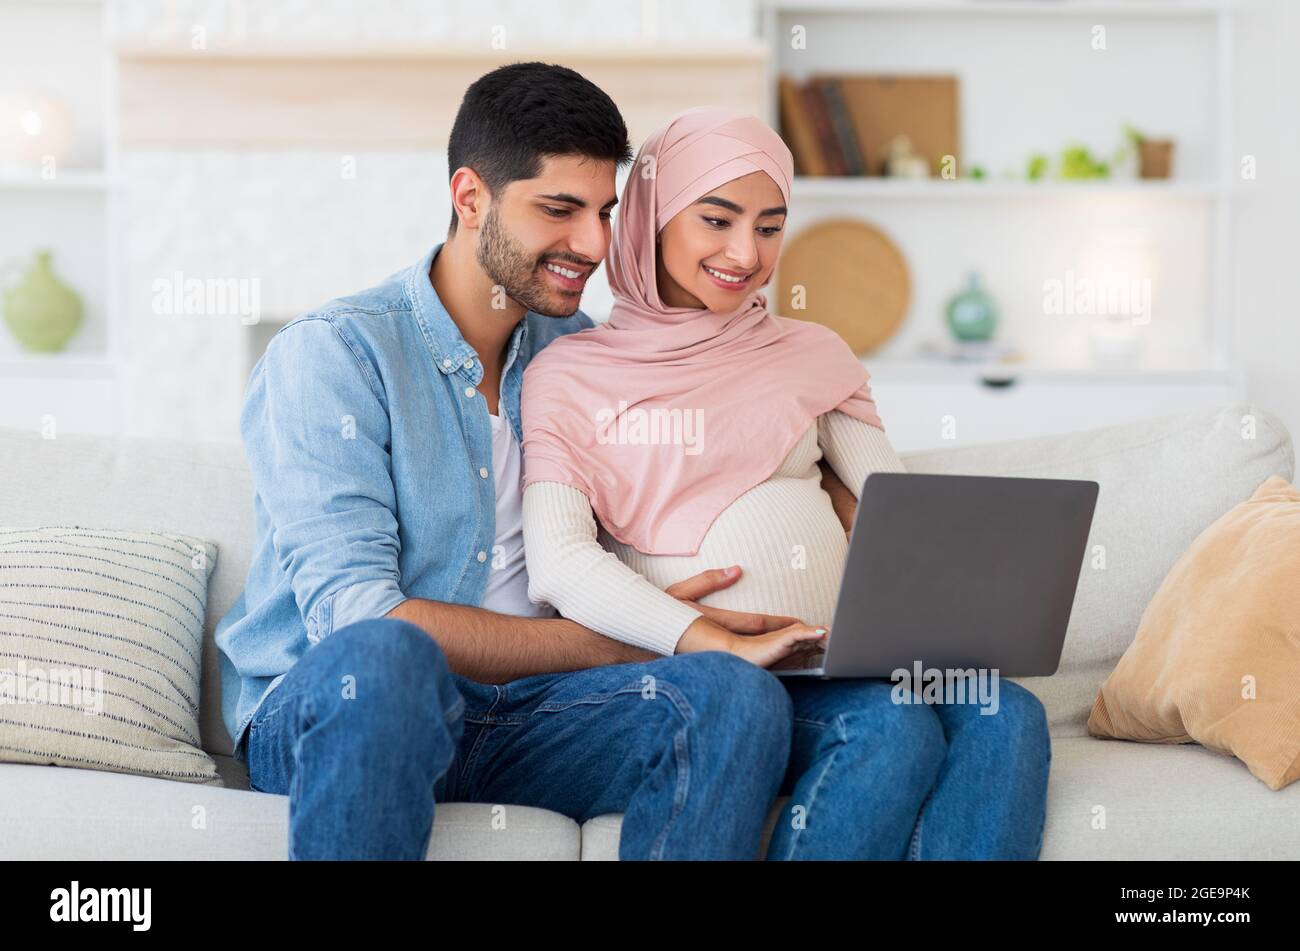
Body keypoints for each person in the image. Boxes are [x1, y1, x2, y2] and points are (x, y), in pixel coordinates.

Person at [217, 63, 828, 860]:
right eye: (560, 210)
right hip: (351, 704)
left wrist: (831, 488)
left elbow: (713, 467)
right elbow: (361, 617)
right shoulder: (335, 355)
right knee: (388, 656)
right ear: (470, 199)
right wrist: (647, 636)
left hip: (532, 715)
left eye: (605, 212)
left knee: (735, 695)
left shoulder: (584, 357)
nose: (595, 245)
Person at [519, 107, 1052, 859]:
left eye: (770, 226)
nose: (747, 252)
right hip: (704, 681)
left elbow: (902, 510)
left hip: (841, 661)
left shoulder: (811, 351)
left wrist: (954, 598)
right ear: (652, 216)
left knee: (1009, 713)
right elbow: (560, 563)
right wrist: (702, 637)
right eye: (717, 219)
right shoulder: (568, 376)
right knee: (887, 725)